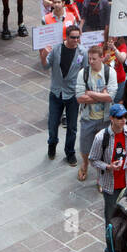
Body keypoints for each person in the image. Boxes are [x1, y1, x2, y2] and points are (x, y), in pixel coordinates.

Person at [90, 103, 127, 252]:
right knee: (111, 221)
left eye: (125, 117)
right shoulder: (101, 137)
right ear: (111, 118)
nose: (123, 120)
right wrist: (109, 167)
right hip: (110, 186)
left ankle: (125, 247)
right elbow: (93, 160)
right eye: (119, 118)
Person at [41, 26, 86, 165]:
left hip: (72, 94)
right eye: (73, 37)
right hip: (56, 93)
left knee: (72, 126)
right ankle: (52, 144)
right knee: (53, 123)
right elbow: (45, 66)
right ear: (66, 37)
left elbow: (84, 73)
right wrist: (43, 55)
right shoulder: (56, 49)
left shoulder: (82, 52)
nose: (76, 40)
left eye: (78, 37)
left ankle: (70, 152)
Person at [77, 45, 116, 183]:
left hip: (105, 119)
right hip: (88, 117)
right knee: (85, 146)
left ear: (101, 58)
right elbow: (80, 97)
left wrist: (91, 93)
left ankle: (101, 175)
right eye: (89, 59)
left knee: (105, 149)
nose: (91, 62)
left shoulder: (110, 72)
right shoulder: (83, 73)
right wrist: (102, 95)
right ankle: (85, 164)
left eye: (94, 59)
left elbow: (111, 97)